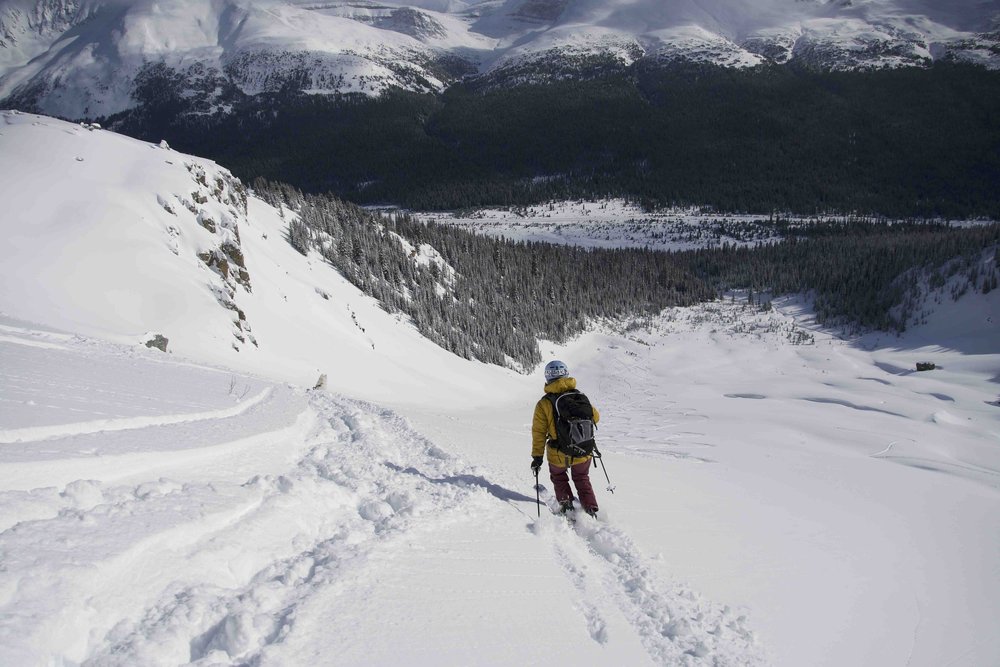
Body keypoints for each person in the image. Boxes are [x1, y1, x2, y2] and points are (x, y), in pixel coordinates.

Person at [531, 360, 601, 517]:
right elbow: (595, 417)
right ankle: (591, 510)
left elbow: (539, 433)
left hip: (558, 453)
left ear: (548, 378)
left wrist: (537, 457)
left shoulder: (544, 404)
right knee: (582, 479)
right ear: (566, 374)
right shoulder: (579, 396)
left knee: (559, 478)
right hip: (584, 450)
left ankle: (567, 507)